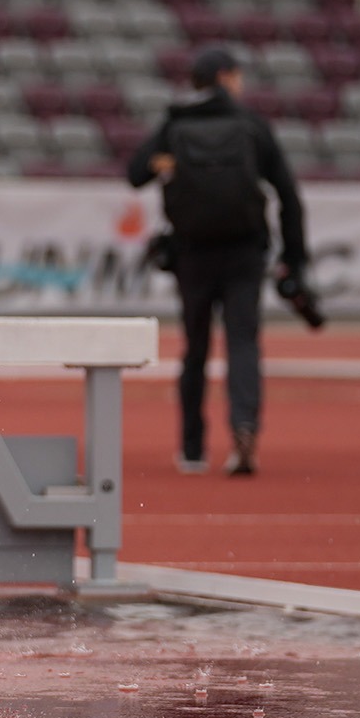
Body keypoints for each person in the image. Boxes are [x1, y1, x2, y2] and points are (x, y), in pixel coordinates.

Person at [128, 45, 308, 478]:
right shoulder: (251, 125)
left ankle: (192, 448)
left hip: (193, 251)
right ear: (227, 77)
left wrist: (165, 161)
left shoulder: (177, 123)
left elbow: (135, 174)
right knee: (243, 342)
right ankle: (244, 427)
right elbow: (288, 196)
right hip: (245, 249)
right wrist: (294, 259)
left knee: (196, 349)